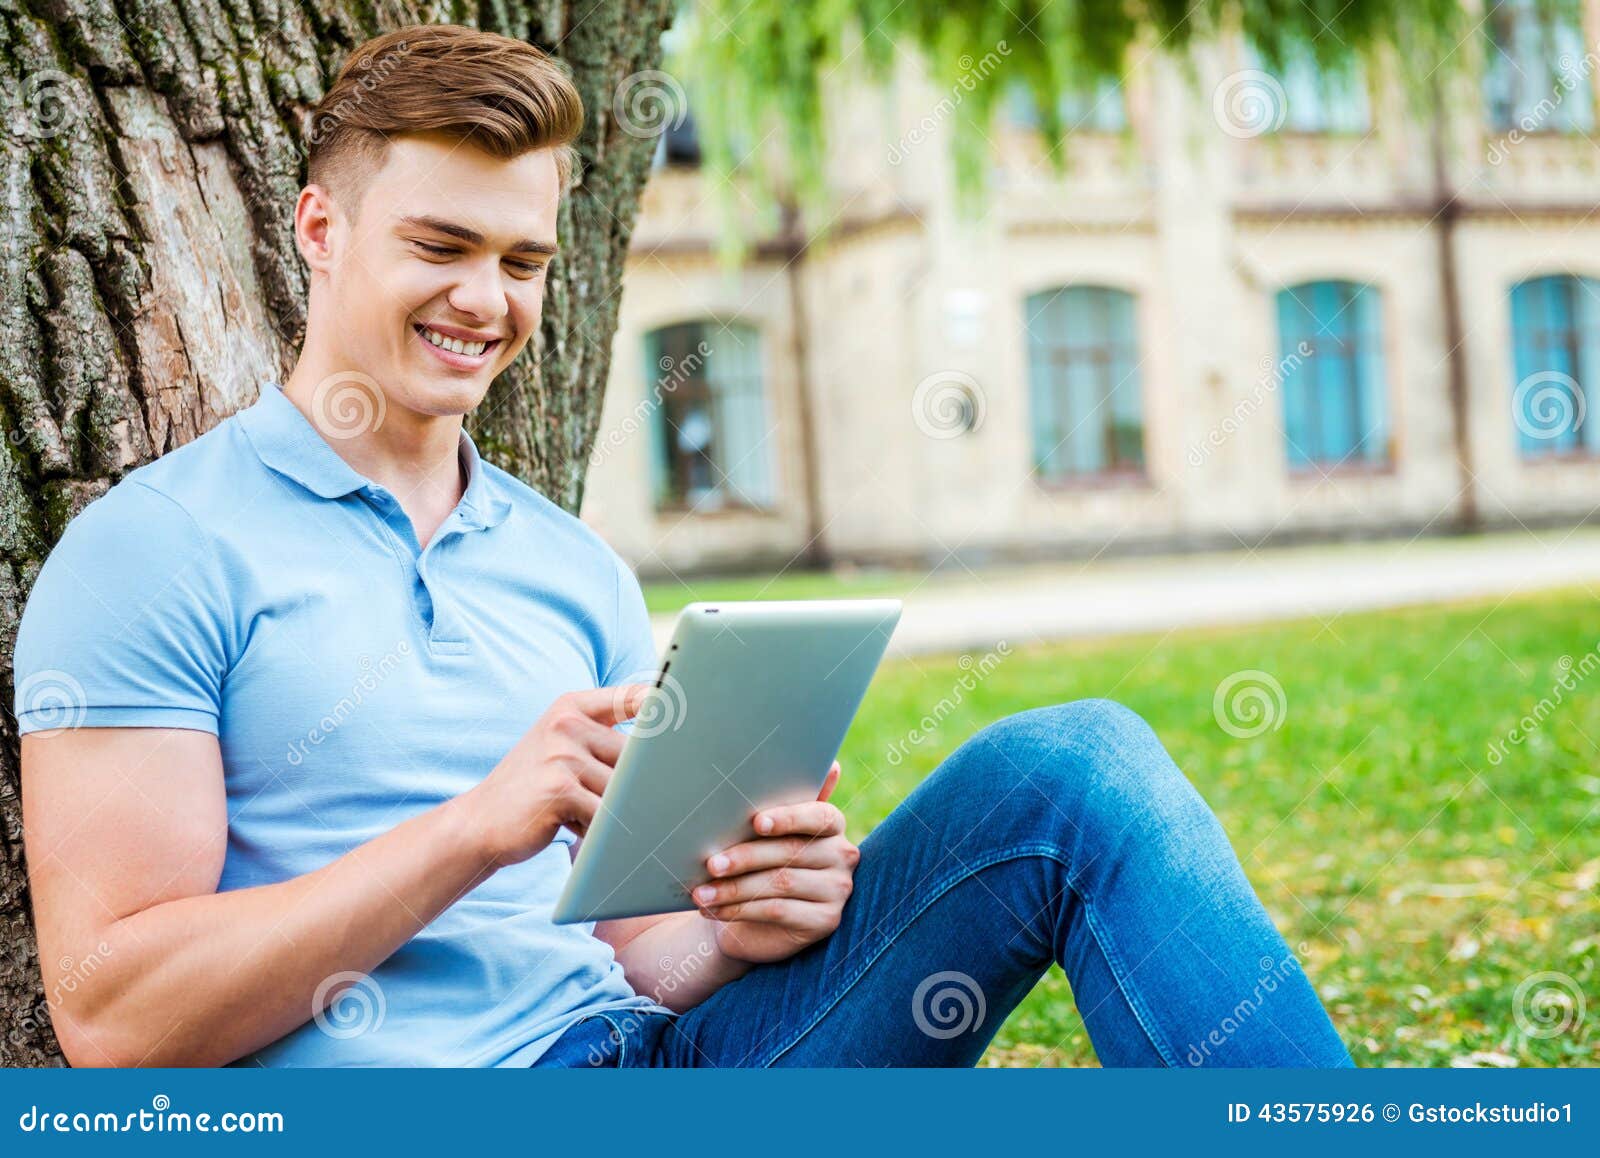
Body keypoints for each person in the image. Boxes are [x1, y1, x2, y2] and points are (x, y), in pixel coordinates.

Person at [13, 23, 1352, 1069]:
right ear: (320, 227)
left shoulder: (569, 569)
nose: (485, 301)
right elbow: (119, 1022)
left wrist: (739, 918)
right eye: (441, 245)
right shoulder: (154, 552)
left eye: (523, 261)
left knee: (1076, 767)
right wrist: (477, 827)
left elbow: (636, 954)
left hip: (672, 1062)